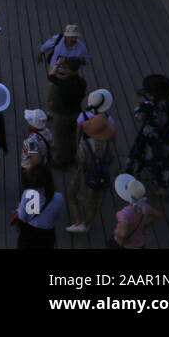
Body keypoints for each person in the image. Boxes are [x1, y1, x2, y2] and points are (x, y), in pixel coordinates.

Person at [126, 74, 169, 197]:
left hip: (148, 138)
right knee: (163, 164)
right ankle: (162, 188)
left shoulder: (149, 105)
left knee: (138, 155)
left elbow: (139, 117)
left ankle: (130, 174)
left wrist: (137, 105)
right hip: (165, 139)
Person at [67, 89, 116, 235]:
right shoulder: (109, 142)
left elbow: (80, 158)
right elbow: (111, 160)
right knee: (94, 204)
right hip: (100, 174)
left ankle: (78, 222)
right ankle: (87, 224)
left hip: (84, 172)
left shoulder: (84, 143)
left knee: (72, 195)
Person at [45, 56, 88, 168]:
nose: (63, 68)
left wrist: (57, 64)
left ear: (69, 69)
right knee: (72, 137)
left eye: (65, 66)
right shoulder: (82, 82)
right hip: (76, 113)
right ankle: (71, 157)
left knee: (61, 138)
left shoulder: (65, 83)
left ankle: (60, 161)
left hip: (63, 115)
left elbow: (51, 76)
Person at [14, 164, 65, 249]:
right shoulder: (58, 197)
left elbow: (23, 217)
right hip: (47, 235)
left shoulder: (29, 194)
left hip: (29, 233)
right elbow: (57, 217)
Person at [113, 174, 161, 249]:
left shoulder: (124, 214)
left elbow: (122, 234)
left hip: (127, 245)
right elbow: (158, 216)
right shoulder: (145, 206)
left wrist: (120, 242)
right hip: (139, 243)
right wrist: (145, 225)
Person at [21, 109, 53, 174]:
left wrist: (27, 171)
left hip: (31, 170)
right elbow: (52, 146)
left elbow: (36, 161)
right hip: (44, 164)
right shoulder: (47, 132)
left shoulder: (31, 141)